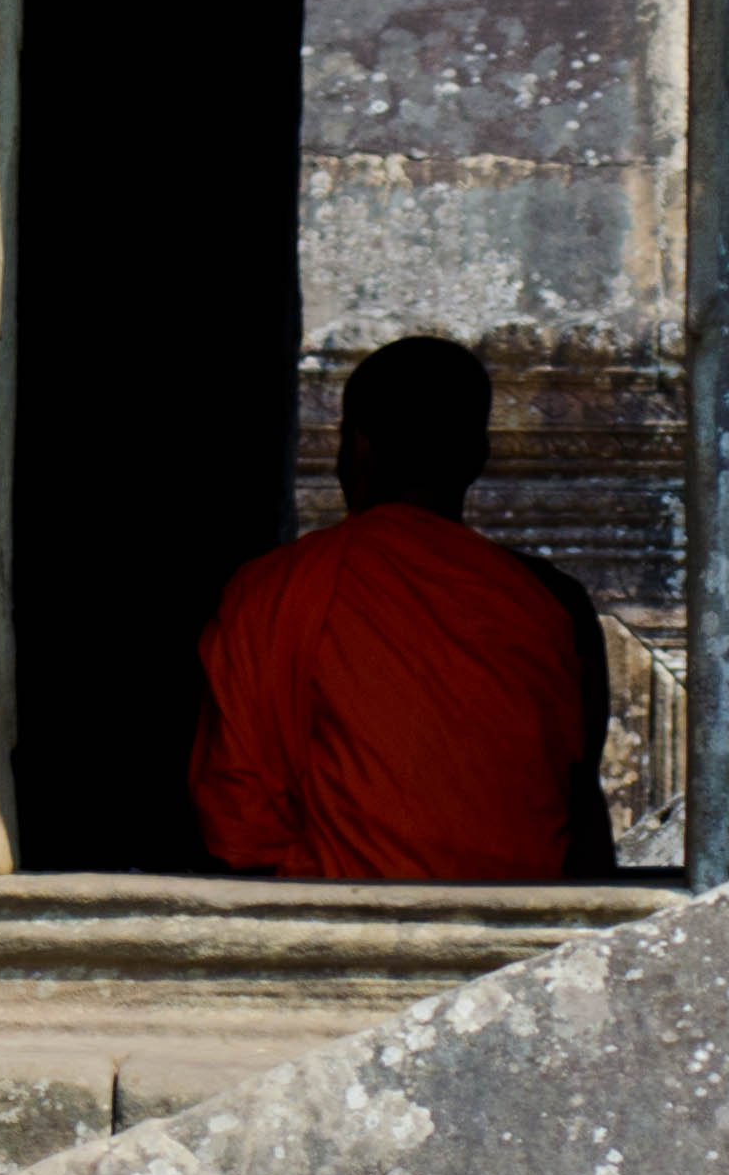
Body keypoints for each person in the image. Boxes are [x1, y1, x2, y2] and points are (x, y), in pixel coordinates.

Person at [186, 336, 618, 886]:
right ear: (477, 459)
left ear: (357, 447)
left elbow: (236, 819)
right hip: (516, 924)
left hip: (329, 923)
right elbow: (581, 815)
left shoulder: (274, 589)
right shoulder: (551, 601)